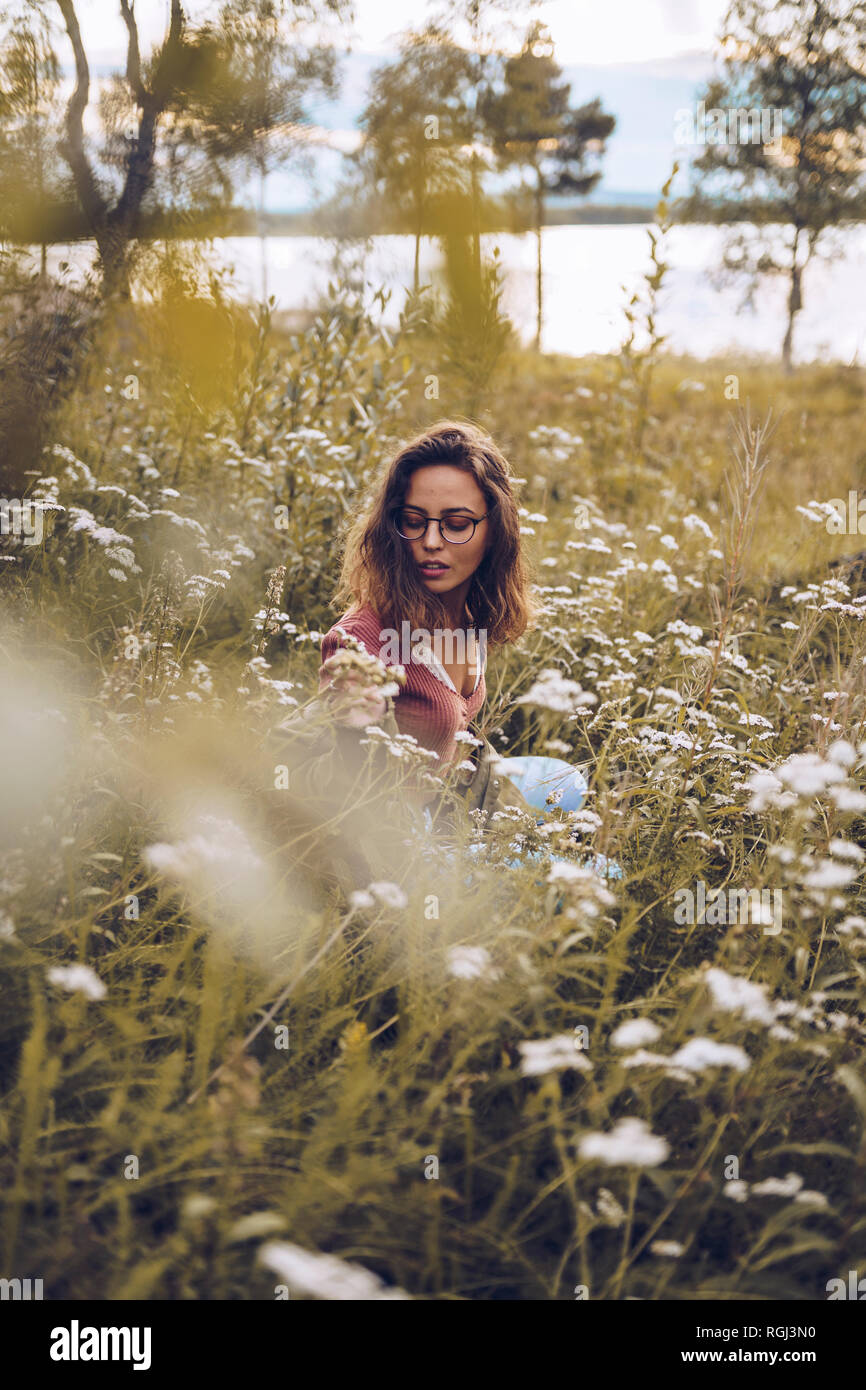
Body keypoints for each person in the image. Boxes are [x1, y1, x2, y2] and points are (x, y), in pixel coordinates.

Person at [315, 420, 601, 849]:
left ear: (494, 530)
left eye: (456, 523)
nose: (431, 541)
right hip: (408, 837)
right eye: (413, 521)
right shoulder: (358, 645)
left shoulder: (465, 615)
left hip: (461, 790)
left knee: (570, 783)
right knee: (588, 874)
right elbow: (352, 803)